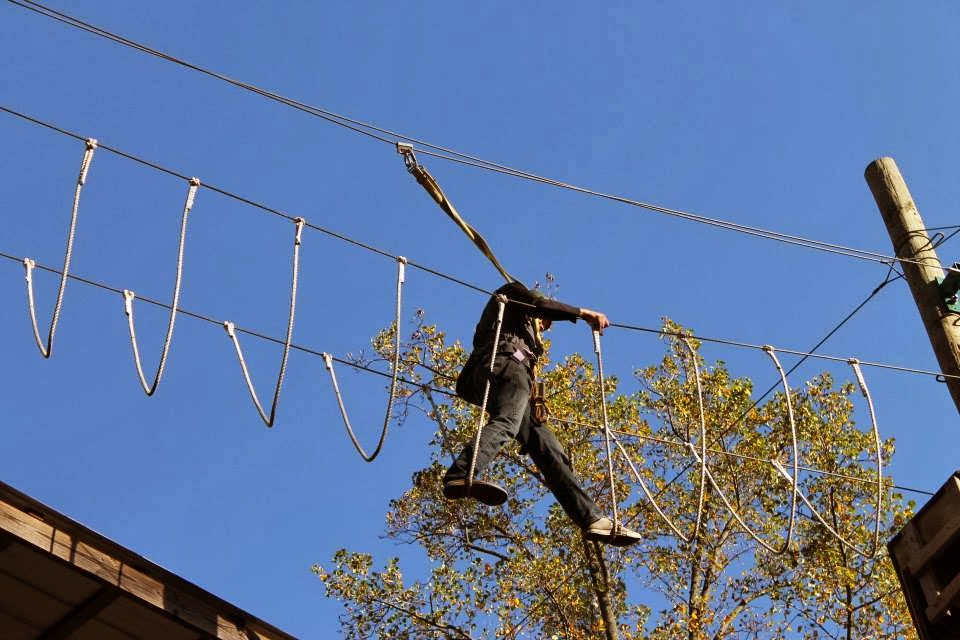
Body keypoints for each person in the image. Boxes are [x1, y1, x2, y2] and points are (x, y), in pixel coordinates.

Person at [443, 280, 641, 547]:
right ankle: (460, 473)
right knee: (507, 423)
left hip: (502, 375)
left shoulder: (527, 342)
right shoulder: (512, 294)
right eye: (544, 322)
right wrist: (584, 314)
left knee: (549, 449)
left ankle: (592, 518)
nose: (546, 327)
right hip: (503, 363)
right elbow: (540, 304)